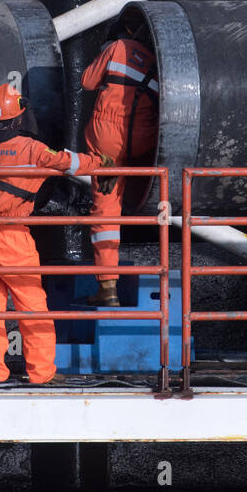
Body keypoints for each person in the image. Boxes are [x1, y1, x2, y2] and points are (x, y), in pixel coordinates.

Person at [0, 82, 107, 385]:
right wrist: (102, 162)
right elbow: (71, 163)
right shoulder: (32, 149)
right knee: (31, 303)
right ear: (19, 117)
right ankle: (41, 373)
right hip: (11, 234)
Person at [81, 17, 159, 306]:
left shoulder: (118, 47)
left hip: (106, 144)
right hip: (141, 145)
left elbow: (87, 81)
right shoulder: (163, 64)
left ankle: (107, 288)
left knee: (105, 214)